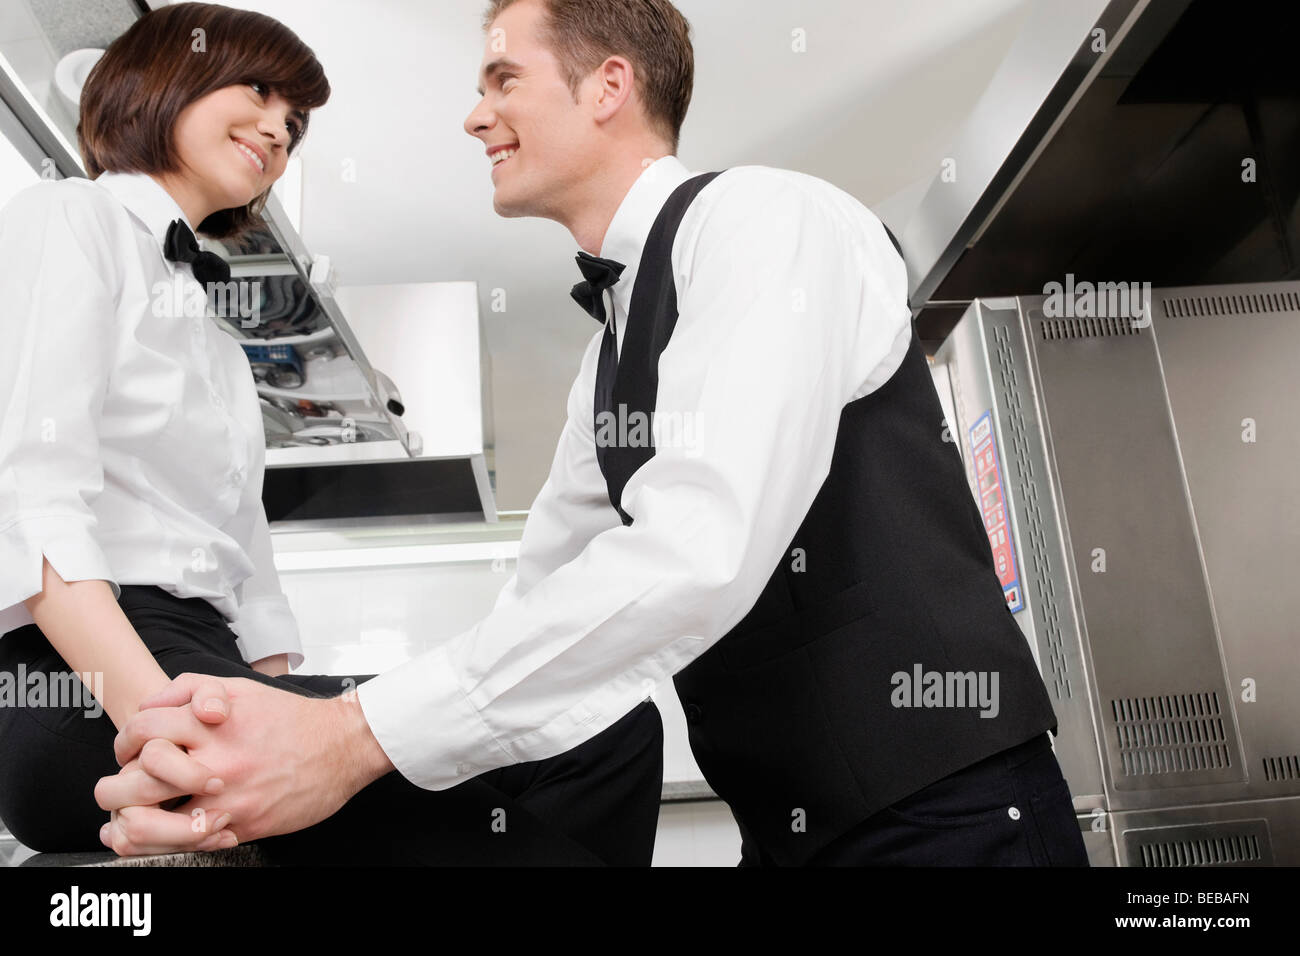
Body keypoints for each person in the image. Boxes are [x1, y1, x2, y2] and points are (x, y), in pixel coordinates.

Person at [100, 0, 1089, 866]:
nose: (472, 114)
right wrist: (311, 733)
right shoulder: (607, 362)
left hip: (945, 812)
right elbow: (543, 599)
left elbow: (700, 546)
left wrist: (348, 737)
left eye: (502, 79)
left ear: (607, 85)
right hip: (793, 826)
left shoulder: (764, 221)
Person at [0, 1, 662, 866]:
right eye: (262, 89)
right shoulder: (66, 221)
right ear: (160, 79)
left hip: (205, 669)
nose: (279, 127)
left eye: (295, 121)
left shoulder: (218, 342)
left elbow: (250, 578)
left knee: (603, 725)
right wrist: (161, 727)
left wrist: (284, 731)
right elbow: (26, 493)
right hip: (82, 683)